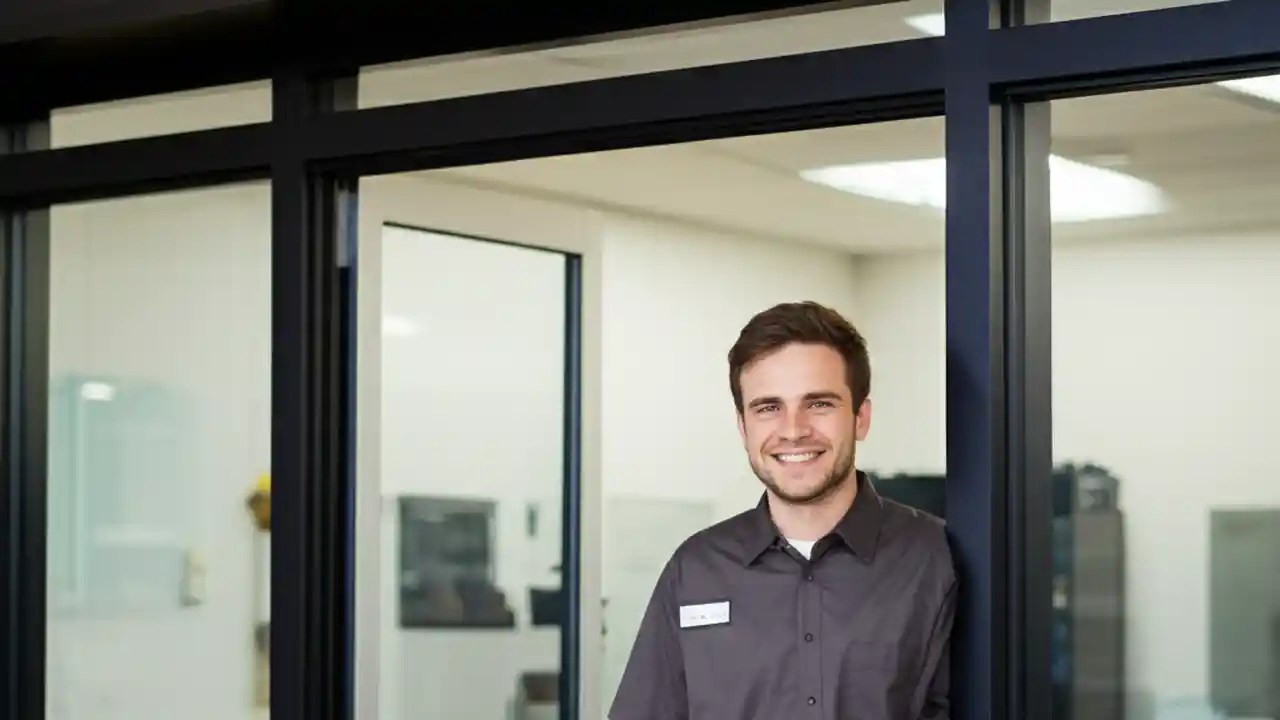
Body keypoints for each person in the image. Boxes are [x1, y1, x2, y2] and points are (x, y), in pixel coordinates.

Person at [609, 301, 956, 720]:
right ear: (743, 427)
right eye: (768, 408)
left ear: (860, 418)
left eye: (819, 403)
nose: (793, 430)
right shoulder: (695, 571)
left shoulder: (935, 558)